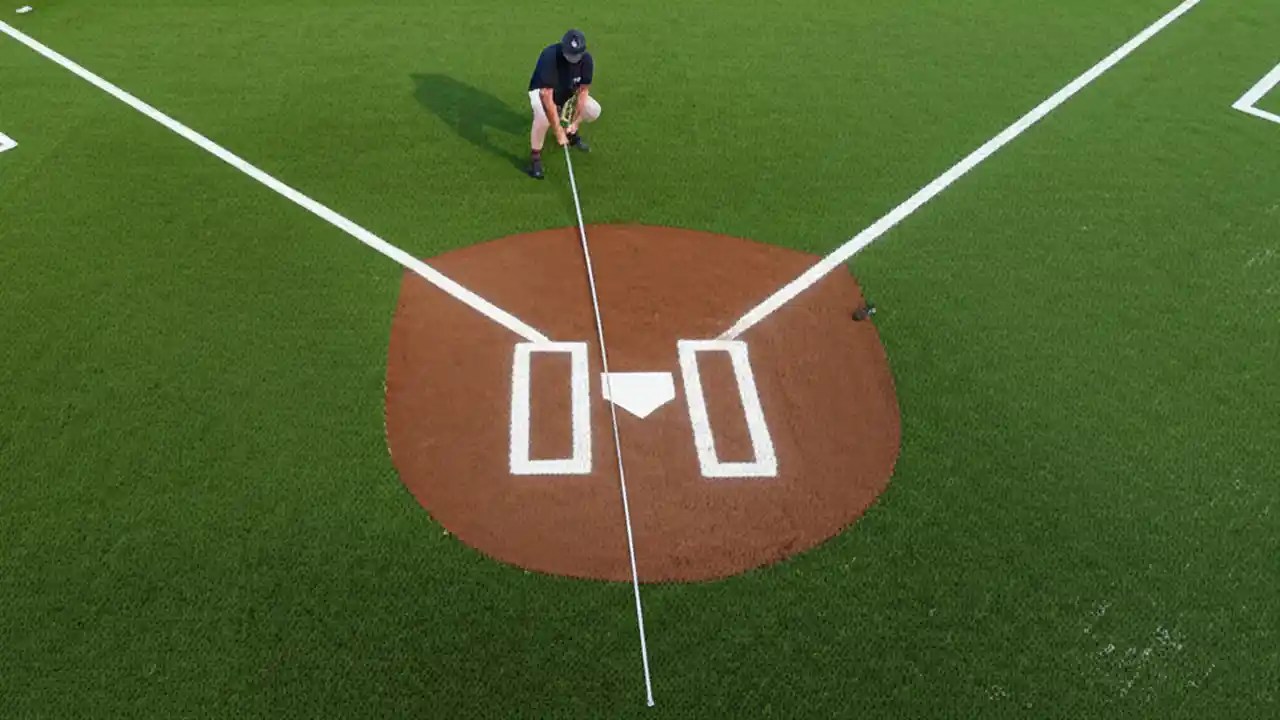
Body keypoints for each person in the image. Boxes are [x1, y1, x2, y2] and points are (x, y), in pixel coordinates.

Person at [526, 29, 601, 179]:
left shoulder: (586, 60)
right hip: (541, 91)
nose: (573, 59)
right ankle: (535, 157)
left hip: (567, 92)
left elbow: (583, 91)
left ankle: (571, 134)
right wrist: (558, 131)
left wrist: (574, 122)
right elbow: (546, 95)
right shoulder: (550, 56)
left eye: (577, 55)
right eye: (570, 54)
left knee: (593, 110)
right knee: (543, 118)